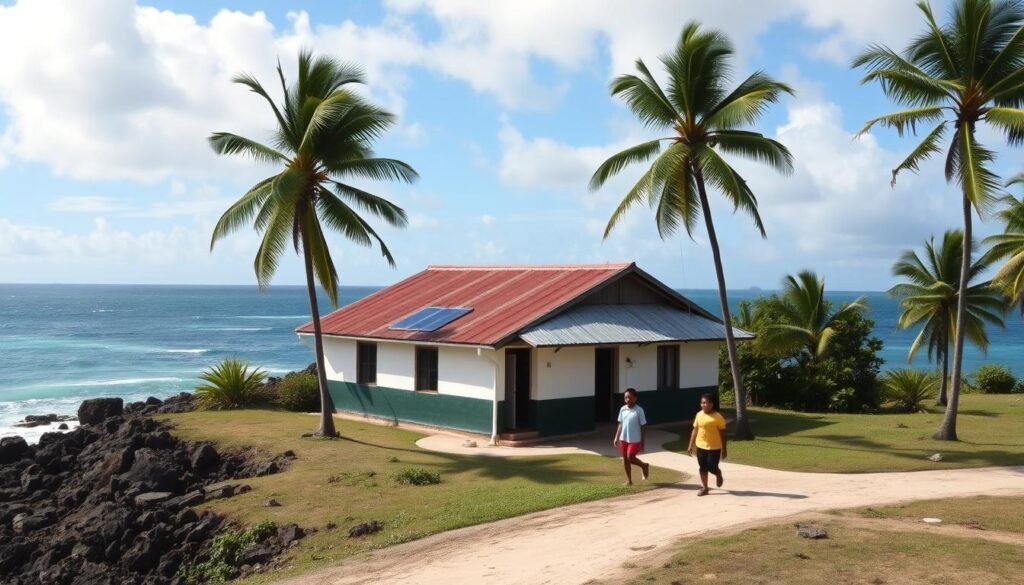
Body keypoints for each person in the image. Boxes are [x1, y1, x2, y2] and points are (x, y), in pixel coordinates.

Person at [686, 392, 727, 496]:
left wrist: (724, 449)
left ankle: (718, 473)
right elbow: (695, 430)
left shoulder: (718, 417)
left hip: (714, 447)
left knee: (712, 467)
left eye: (705, 403)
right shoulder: (699, 415)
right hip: (700, 445)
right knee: (702, 467)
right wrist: (690, 445)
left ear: (711, 404)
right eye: (701, 403)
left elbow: (723, 434)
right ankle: (705, 487)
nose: (703, 405)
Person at [613, 387, 649, 485]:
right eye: (626, 398)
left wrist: (642, 442)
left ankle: (644, 466)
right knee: (625, 459)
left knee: (630, 457)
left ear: (635, 398)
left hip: (635, 440)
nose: (627, 400)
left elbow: (643, 426)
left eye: (630, 397)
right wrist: (616, 437)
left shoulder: (639, 410)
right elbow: (620, 423)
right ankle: (629, 480)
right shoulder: (622, 409)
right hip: (623, 439)